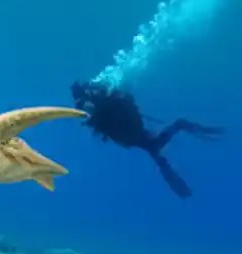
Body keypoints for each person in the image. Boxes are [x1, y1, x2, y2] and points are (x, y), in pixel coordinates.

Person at [70, 80, 223, 198]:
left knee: (157, 149)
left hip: (129, 137)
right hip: (132, 135)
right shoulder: (96, 99)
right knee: (164, 139)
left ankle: (179, 182)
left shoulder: (91, 100)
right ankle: (209, 135)